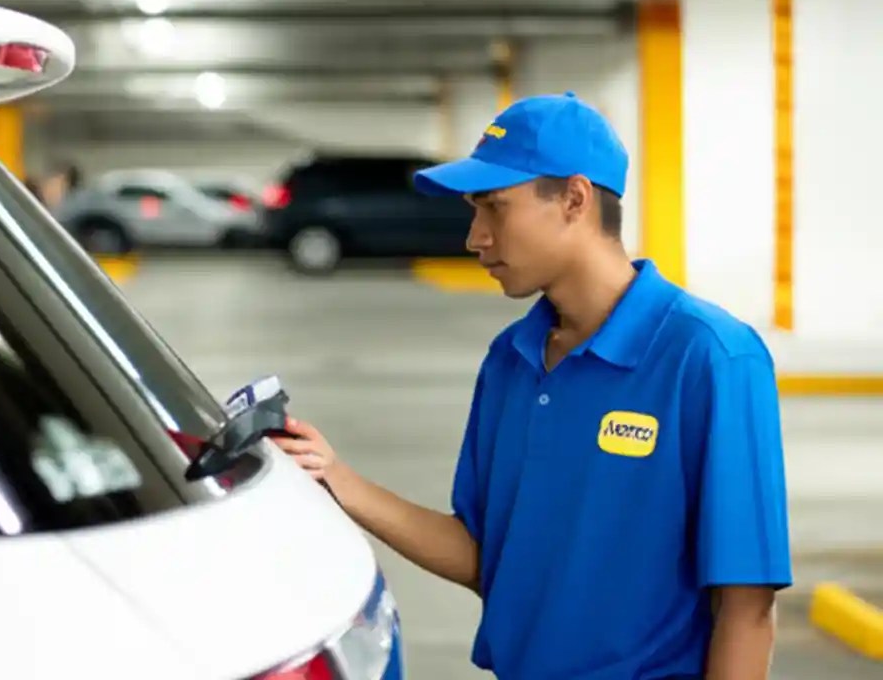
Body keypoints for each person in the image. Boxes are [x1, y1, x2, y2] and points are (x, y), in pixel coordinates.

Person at [273, 91, 792, 679]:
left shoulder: (710, 357)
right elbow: (482, 555)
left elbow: (746, 610)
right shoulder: (512, 360)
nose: (475, 238)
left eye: (494, 208)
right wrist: (334, 477)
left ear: (574, 198)